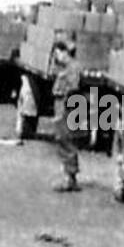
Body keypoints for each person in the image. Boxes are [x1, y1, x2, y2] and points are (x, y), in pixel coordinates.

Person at [51, 40, 85, 192]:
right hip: (62, 109)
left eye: (57, 53)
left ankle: (70, 178)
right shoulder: (68, 68)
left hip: (66, 110)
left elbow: (73, 89)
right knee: (62, 140)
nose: (57, 57)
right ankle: (68, 176)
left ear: (64, 52)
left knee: (66, 141)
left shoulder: (73, 67)